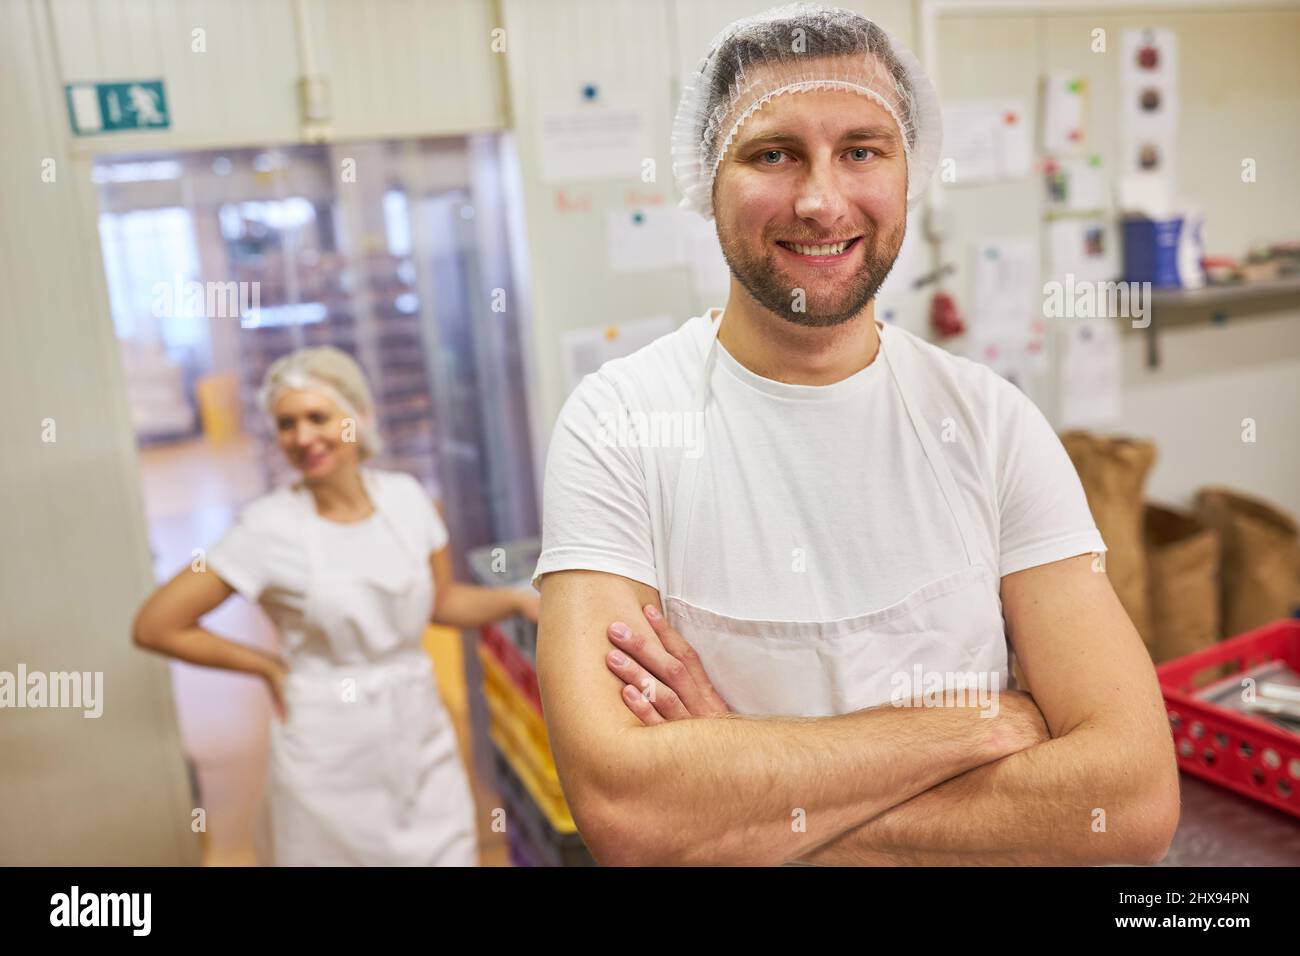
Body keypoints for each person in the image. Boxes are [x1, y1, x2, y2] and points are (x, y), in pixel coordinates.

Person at [533, 3, 1178, 866]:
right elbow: (628, 811)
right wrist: (984, 727)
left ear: (910, 169)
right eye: (774, 153)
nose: (820, 199)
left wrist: (749, 807)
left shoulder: (990, 424)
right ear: (706, 176)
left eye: (862, 150)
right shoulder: (620, 424)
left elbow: (1129, 802)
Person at [133, 346, 538, 866]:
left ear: (358, 418)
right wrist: (263, 666)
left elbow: (441, 601)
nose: (303, 437)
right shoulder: (265, 528)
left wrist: (516, 600)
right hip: (325, 750)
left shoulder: (406, 499)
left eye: (318, 417)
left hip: (419, 731)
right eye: (286, 423)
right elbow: (157, 623)